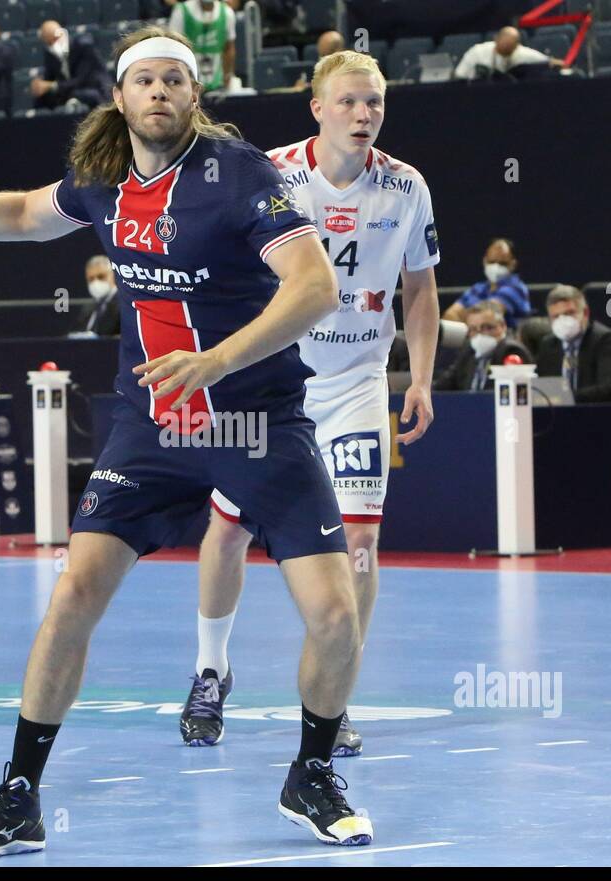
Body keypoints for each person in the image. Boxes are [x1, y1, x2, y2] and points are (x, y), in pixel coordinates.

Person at [0, 25, 374, 857]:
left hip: (257, 421)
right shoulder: (100, 179)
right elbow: (21, 213)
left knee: (336, 613)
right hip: (152, 427)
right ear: (121, 98)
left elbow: (315, 287)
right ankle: (17, 798)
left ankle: (311, 773)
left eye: (175, 80)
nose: (160, 92)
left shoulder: (240, 175)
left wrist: (216, 361)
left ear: (195, 95)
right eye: (145, 81)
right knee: (74, 593)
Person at [185, 50, 439, 755]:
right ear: (318, 107)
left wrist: (418, 378)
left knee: (360, 540)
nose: (365, 114)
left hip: (357, 378)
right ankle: (210, 670)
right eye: (351, 102)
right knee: (231, 528)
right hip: (271, 380)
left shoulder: (406, 186)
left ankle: (336, 693)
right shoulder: (271, 175)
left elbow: (420, 290)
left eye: (376, 103)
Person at [535, 284, 611, 461]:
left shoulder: (605, 340)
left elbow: (608, 389)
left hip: (608, 422)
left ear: (585, 313)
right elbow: (542, 387)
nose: (562, 320)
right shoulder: (549, 346)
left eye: (569, 314)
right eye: (556, 316)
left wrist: (564, 398)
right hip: (562, 423)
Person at [435, 303, 532, 392]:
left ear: (502, 326)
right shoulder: (469, 351)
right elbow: (444, 385)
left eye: (487, 327)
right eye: (473, 329)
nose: (480, 334)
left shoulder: (511, 350)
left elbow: (510, 393)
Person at [441, 237, 532, 330]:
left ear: (513, 264)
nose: (496, 267)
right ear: (485, 261)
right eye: (492, 262)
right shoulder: (477, 288)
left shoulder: (516, 288)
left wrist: (463, 317)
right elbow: (449, 315)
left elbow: (486, 315)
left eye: (502, 263)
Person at [32, 20, 112, 110]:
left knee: (80, 95)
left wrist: (51, 85)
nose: (54, 45)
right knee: (42, 100)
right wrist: (40, 86)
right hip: (70, 91)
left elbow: (79, 80)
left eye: (55, 39)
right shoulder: (50, 55)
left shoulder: (83, 46)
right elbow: (48, 79)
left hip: (93, 89)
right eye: (49, 43)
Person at [168, 0, 237, 92]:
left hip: (217, 83)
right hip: (188, 85)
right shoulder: (181, 11)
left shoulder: (227, 12)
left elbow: (229, 49)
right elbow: (173, 49)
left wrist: (227, 78)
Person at [452, 26, 562, 81]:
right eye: (501, 50)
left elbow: (551, 62)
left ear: (516, 46)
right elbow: (459, 75)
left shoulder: (524, 54)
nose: (504, 53)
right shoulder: (477, 52)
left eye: (508, 51)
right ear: (496, 39)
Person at [72, 254, 120, 336]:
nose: (95, 282)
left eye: (101, 276)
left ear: (113, 275)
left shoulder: (124, 303)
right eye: (91, 279)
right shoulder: (88, 308)